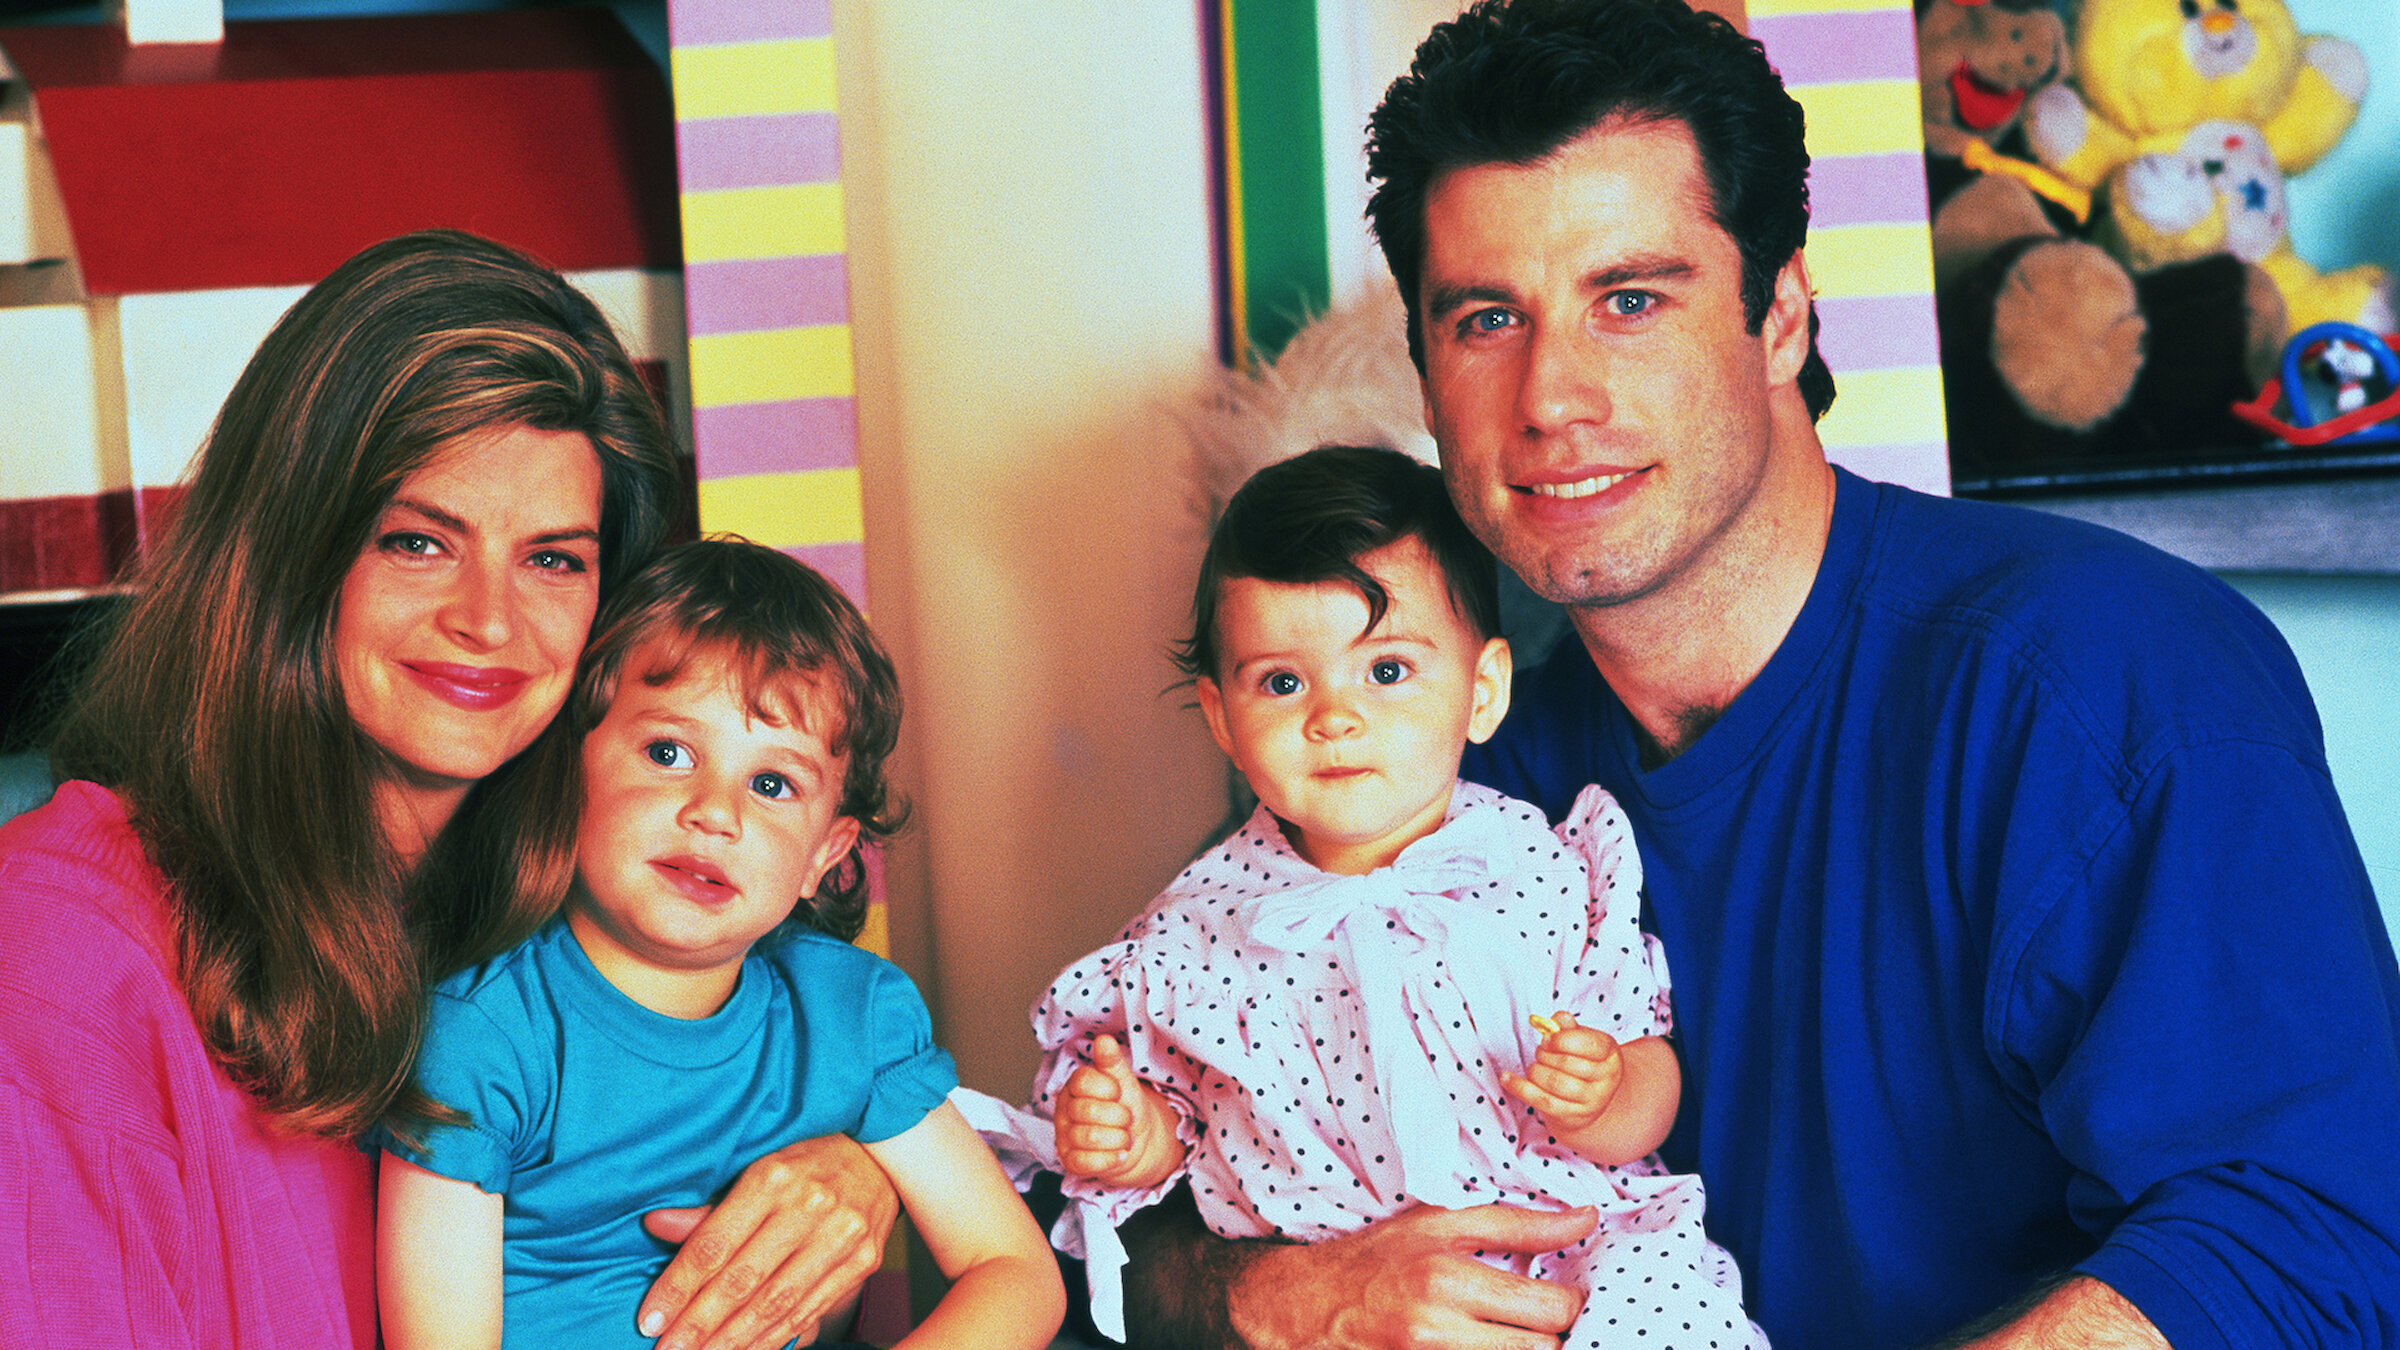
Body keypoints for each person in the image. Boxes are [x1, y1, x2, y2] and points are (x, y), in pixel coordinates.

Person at [1112, 2, 2400, 1349]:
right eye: (1488, 319)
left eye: (1629, 300)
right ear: (1429, 385)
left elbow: (2308, 1242)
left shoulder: (2101, 682)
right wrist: (1281, 1292)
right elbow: (1117, 1197)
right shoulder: (1433, 749)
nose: (1551, 397)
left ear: (1780, 316)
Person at [0, 230, 897, 1350]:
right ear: (285, 552)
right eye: (418, 541)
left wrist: (848, 1165)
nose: (489, 621)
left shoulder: (622, 916)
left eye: (554, 559)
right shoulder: (55, 960)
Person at [1033, 444, 1759, 1349]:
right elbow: (1175, 1135)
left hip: (1568, 1255)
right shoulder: (1192, 933)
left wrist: (1606, 1093)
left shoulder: (1543, 869)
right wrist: (1130, 1134)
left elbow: (1650, 1075)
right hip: (1334, 1294)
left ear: (1482, 691)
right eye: (1283, 682)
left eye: (1385, 671)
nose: (1334, 717)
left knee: (1661, 1319)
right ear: (1221, 718)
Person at [373, 537, 1066, 1350]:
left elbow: (1015, 1272)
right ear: (572, 769)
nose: (716, 811)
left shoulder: (850, 1014)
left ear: (826, 854)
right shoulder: (484, 1032)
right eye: (668, 753)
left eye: (772, 784)